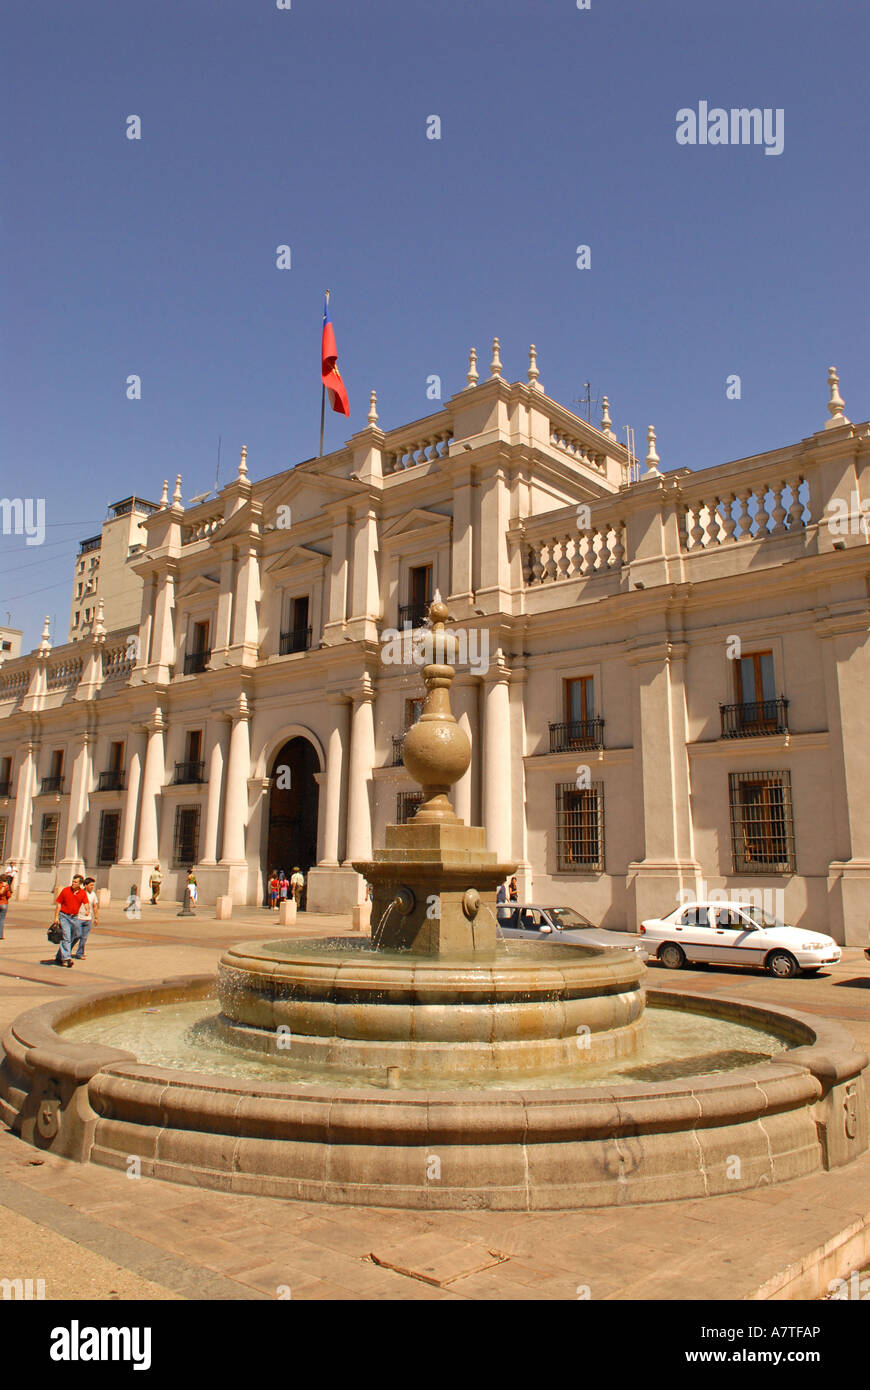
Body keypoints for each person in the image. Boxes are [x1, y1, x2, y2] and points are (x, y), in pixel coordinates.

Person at [51, 874, 89, 967]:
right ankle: (66, 958)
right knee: (67, 937)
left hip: (74, 917)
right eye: (73, 881)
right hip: (64, 916)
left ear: (80, 884)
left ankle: (60, 955)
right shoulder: (66, 890)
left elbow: (86, 903)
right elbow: (59, 904)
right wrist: (56, 917)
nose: (73, 883)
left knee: (77, 935)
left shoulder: (82, 893)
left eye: (75, 882)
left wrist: (87, 910)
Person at [72, 876, 98, 960]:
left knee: (84, 937)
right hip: (79, 918)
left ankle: (80, 953)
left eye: (93, 885)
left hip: (88, 919)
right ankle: (67, 950)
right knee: (77, 935)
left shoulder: (93, 894)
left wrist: (96, 917)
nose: (92, 887)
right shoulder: (80, 893)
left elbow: (95, 906)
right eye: (91, 885)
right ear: (86, 885)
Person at [0, 874, 11, 941]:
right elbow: (9, 895)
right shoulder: (6, 886)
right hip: (4, 903)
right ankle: (0, 935)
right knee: (1, 920)